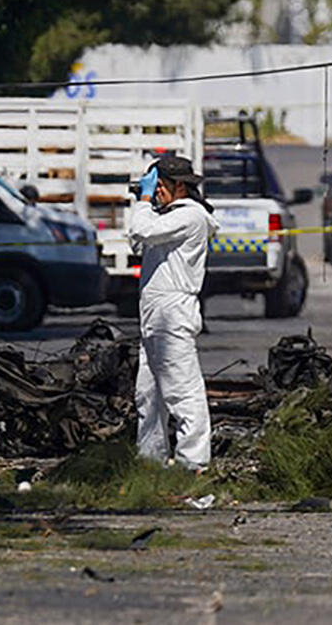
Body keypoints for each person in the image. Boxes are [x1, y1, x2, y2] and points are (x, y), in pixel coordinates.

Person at [128, 155, 220, 470]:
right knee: (148, 395)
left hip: (172, 313)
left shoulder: (191, 216)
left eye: (159, 186)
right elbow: (137, 240)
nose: (156, 192)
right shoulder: (168, 216)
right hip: (154, 314)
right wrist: (145, 203)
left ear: (179, 186)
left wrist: (142, 200)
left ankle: (193, 464)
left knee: (183, 392)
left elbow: (143, 232)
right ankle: (150, 461)